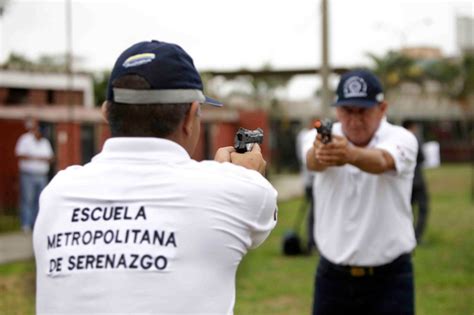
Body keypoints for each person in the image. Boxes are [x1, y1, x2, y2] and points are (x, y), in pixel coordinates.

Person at [33, 40, 278, 315]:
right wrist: (239, 175)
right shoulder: (236, 189)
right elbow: (254, 213)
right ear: (188, 117)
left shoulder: (56, 194)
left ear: (106, 113)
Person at [303, 69, 418, 315]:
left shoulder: (402, 137)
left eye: (362, 110)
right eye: (347, 111)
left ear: (382, 108)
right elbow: (312, 160)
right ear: (336, 111)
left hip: (390, 277)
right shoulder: (321, 137)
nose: (354, 120)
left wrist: (350, 155)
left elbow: (382, 161)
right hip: (333, 276)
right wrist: (322, 153)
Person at [15, 117, 53, 233]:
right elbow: (20, 155)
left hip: (41, 175)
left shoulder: (45, 142)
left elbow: (50, 157)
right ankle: (26, 224)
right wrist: (37, 158)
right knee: (28, 199)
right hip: (28, 174)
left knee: (40, 199)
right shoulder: (25, 139)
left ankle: (36, 224)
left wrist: (36, 158)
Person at [402, 119, 430, 243]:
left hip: (404, 180)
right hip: (417, 179)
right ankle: (417, 236)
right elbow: (423, 158)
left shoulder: (399, 139)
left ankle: (406, 235)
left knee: (407, 210)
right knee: (423, 208)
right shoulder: (415, 139)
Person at [295, 119, 316, 253]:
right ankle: (311, 241)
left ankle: (313, 241)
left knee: (315, 212)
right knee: (313, 213)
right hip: (311, 181)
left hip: (312, 181)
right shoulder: (305, 137)